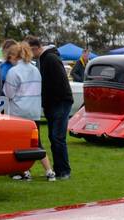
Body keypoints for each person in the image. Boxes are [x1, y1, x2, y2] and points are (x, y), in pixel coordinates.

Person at [3, 42, 52, 181]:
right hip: (34, 111)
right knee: (36, 143)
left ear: (14, 56)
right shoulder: (35, 69)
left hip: (18, 111)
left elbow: (8, 93)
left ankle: (24, 171)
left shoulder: (13, 71)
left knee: (19, 144)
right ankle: (49, 171)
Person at [31, 37, 73, 181]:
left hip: (60, 102)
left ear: (36, 48)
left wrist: (47, 99)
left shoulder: (50, 59)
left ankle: (64, 170)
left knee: (57, 137)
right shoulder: (44, 60)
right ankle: (59, 169)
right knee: (53, 137)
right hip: (53, 103)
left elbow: (58, 83)